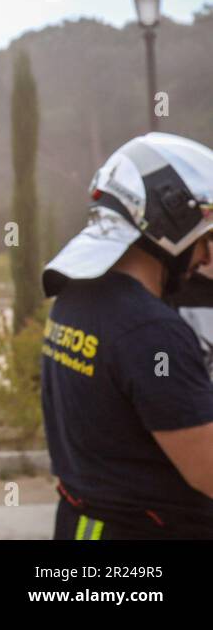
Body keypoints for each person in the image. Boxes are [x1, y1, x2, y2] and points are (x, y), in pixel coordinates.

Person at [41, 132, 213, 539]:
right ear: (173, 218)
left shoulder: (78, 296)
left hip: (86, 524)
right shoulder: (151, 330)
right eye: (204, 238)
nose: (206, 255)